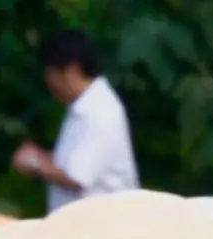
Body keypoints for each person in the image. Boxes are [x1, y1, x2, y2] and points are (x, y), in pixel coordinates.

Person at [11, 29, 138, 212]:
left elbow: (77, 177)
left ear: (72, 71)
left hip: (102, 227)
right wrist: (41, 156)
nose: (48, 81)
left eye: (50, 73)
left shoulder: (98, 111)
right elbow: (72, 162)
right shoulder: (84, 107)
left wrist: (34, 163)